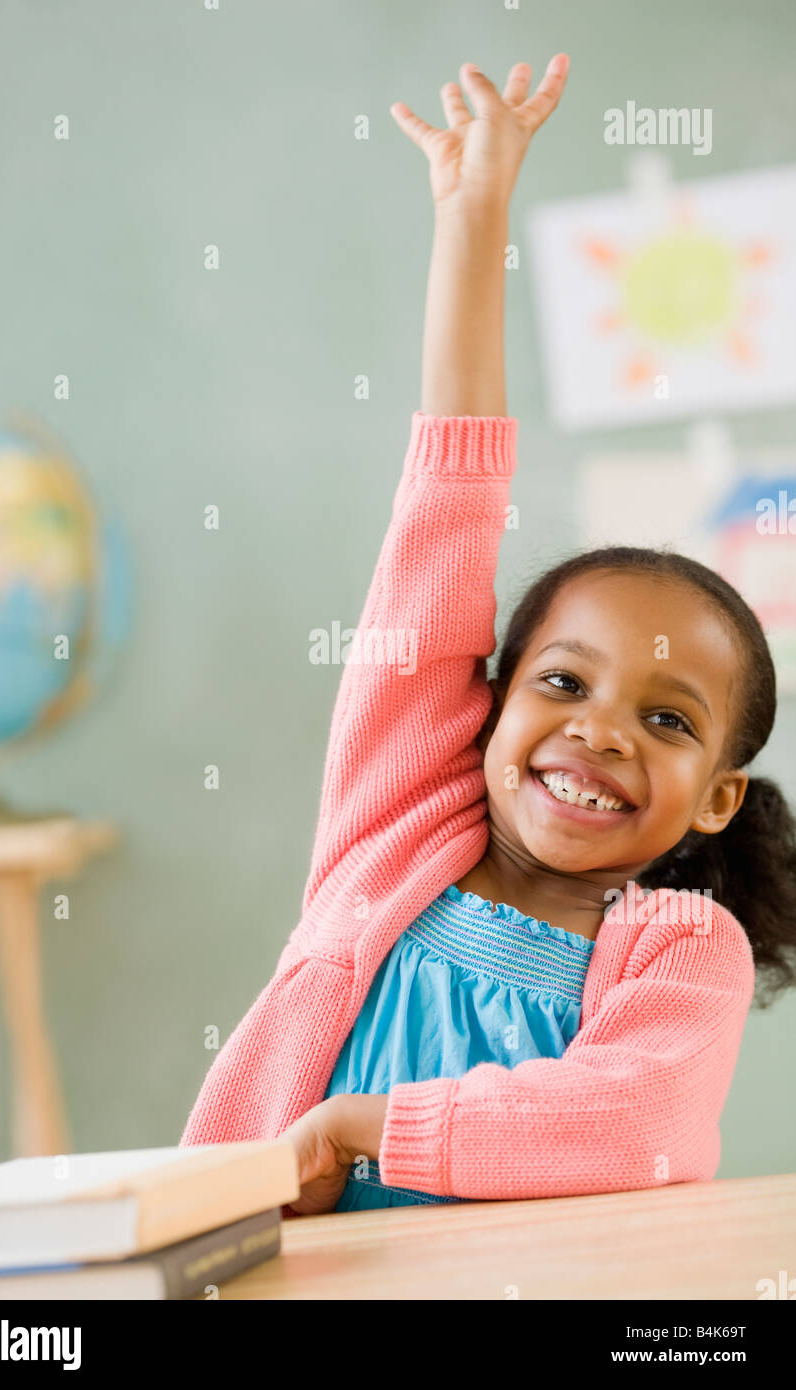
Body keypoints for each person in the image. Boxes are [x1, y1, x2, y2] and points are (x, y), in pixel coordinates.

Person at [180, 56, 796, 1215]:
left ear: (717, 795)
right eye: (561, 681)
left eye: (665, 720)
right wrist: (473, 220)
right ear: (493, 701)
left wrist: (379, 1128)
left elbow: (636, 1118)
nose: (599, 730)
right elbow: (444, 510)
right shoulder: (397, 813)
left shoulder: (678, 949)